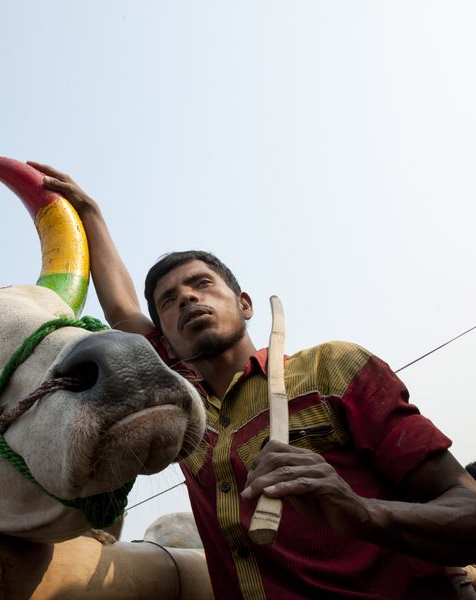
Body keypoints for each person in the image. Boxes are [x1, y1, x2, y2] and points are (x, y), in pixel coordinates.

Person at [28, 161, 476, 599]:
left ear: (244, 304)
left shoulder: (334, 369)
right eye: (168, 301)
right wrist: (90, 216)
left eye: (202, 284)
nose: (186, 297)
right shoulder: (184, 403)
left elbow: (466, 509)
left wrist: (363, 514)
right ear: (161, 337)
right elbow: (123, 312)